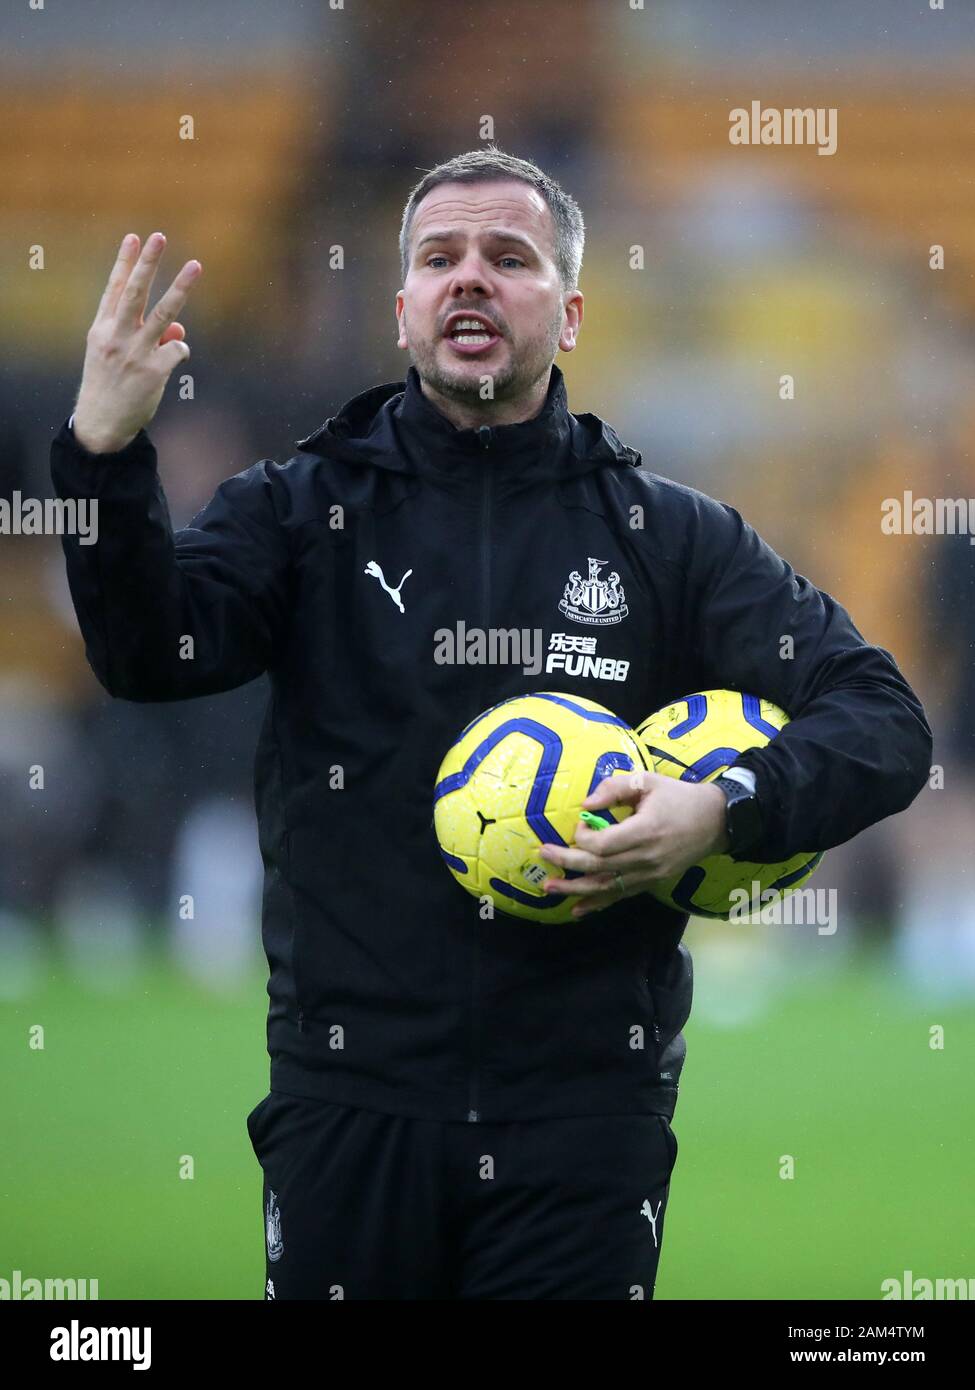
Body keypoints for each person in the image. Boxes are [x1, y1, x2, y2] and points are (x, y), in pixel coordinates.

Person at [50, 147, 932, 1300]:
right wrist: (104, 458)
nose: (471, 279)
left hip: (584, 1121)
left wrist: (718, 807)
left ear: (567, 315)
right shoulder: (301, 510)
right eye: (439, 259)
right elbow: (144, 654)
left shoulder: (666, 536)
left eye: (508, 259)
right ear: (404, 308)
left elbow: (885, 719)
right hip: (349, 1102)